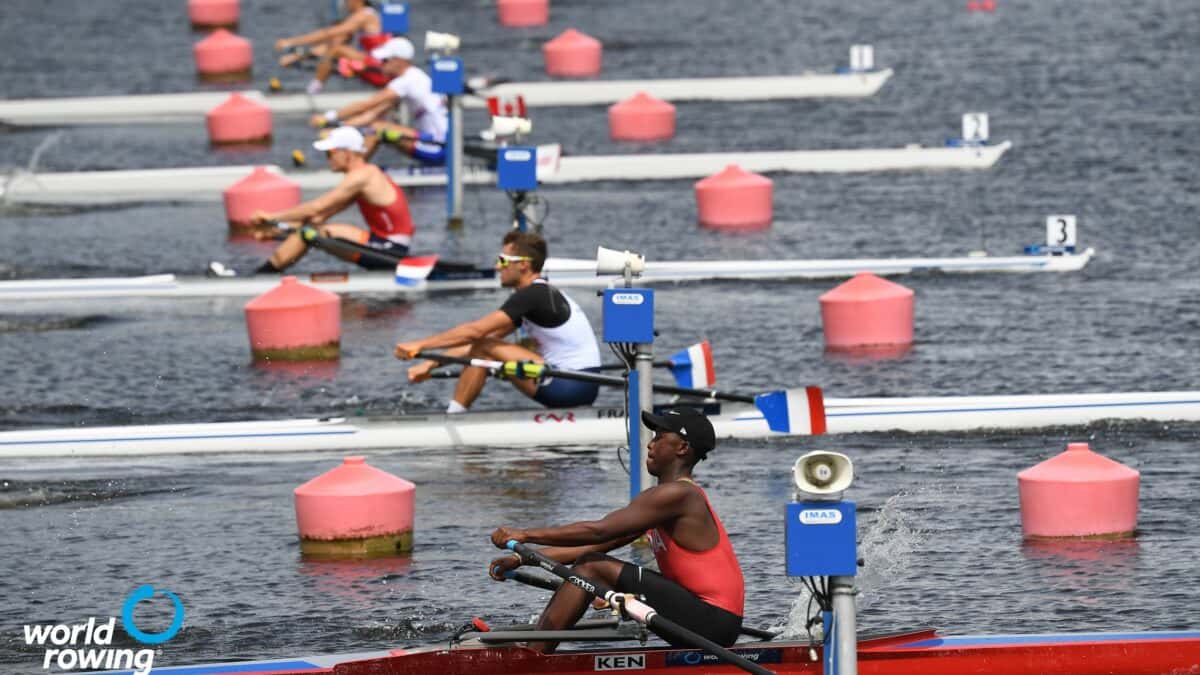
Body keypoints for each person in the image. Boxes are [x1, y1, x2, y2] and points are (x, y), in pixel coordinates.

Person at [487, 408, 745, 652]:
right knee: (592, 565)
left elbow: (598, 531)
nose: (650, 444)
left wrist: (524, 535)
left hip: (713, 619)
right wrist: (522, 558)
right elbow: (597, 545)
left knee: (591, 566)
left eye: (659, 437)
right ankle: (536, 652)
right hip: (705, 618)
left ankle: (533, 657)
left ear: (683, 448)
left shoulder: (679, 494)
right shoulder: (666, 500)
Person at [393, 231, 602, 413]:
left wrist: (420, 345)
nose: (497, 266)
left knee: (484, 346)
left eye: (503, 261)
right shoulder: (539, 295)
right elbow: (476, 343)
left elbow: (474, 332)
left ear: (523, 265)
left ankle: (453, 418)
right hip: (581, 385)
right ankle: (455, 414)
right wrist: (430, 364)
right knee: (484, 347)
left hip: (569, 386)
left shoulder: (532, 295)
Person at [244, 126, 414, 274]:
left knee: (314, 232)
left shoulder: (363, 176)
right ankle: (265, 274)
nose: (328, 159)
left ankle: (263, 276)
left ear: (347, 153)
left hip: (390, 249)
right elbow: (318, 217)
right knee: (310, 229)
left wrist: (272, 217)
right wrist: (276, 232)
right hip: (384, 246)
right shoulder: (362, 177)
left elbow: (316, 207)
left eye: (330, 153)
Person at [310, 37, 448, 165]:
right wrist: (339, 128)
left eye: (385, 60)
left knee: (377, 129)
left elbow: (366, 105)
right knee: (375, 127)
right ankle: (356, 170)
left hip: (439, 146)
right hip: (432, 141)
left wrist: (328, 117)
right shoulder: (410, 79)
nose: (381, 65)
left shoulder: (408, 80)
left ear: (399, 61)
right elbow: (371, 115)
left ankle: (356, 171)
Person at [275, 0, 390, 94]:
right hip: (370, 61)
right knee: (334, 48)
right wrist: (297, 56)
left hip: (381, 66)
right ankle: (313, 87)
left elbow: (329, 33)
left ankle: (313, 90)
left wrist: (290, 42)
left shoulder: (365, 15)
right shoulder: (356, 19)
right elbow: (331, 44)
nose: (345, 3)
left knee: (336, 50)